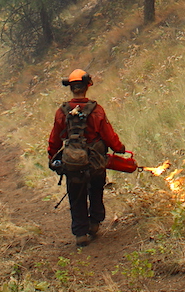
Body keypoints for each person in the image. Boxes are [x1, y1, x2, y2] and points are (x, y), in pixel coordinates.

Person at [47, 69, 126, 247]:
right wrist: (119, 148)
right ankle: (95, 223)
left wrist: (52, 156)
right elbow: (108, 135)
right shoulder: (96, 110)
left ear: (71, 88)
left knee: (76, 195)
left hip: (73, 162)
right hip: (96, 161)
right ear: (87, 86)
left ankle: (80, 234)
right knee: (96, 190)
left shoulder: (62, 112)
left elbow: (55, 138)